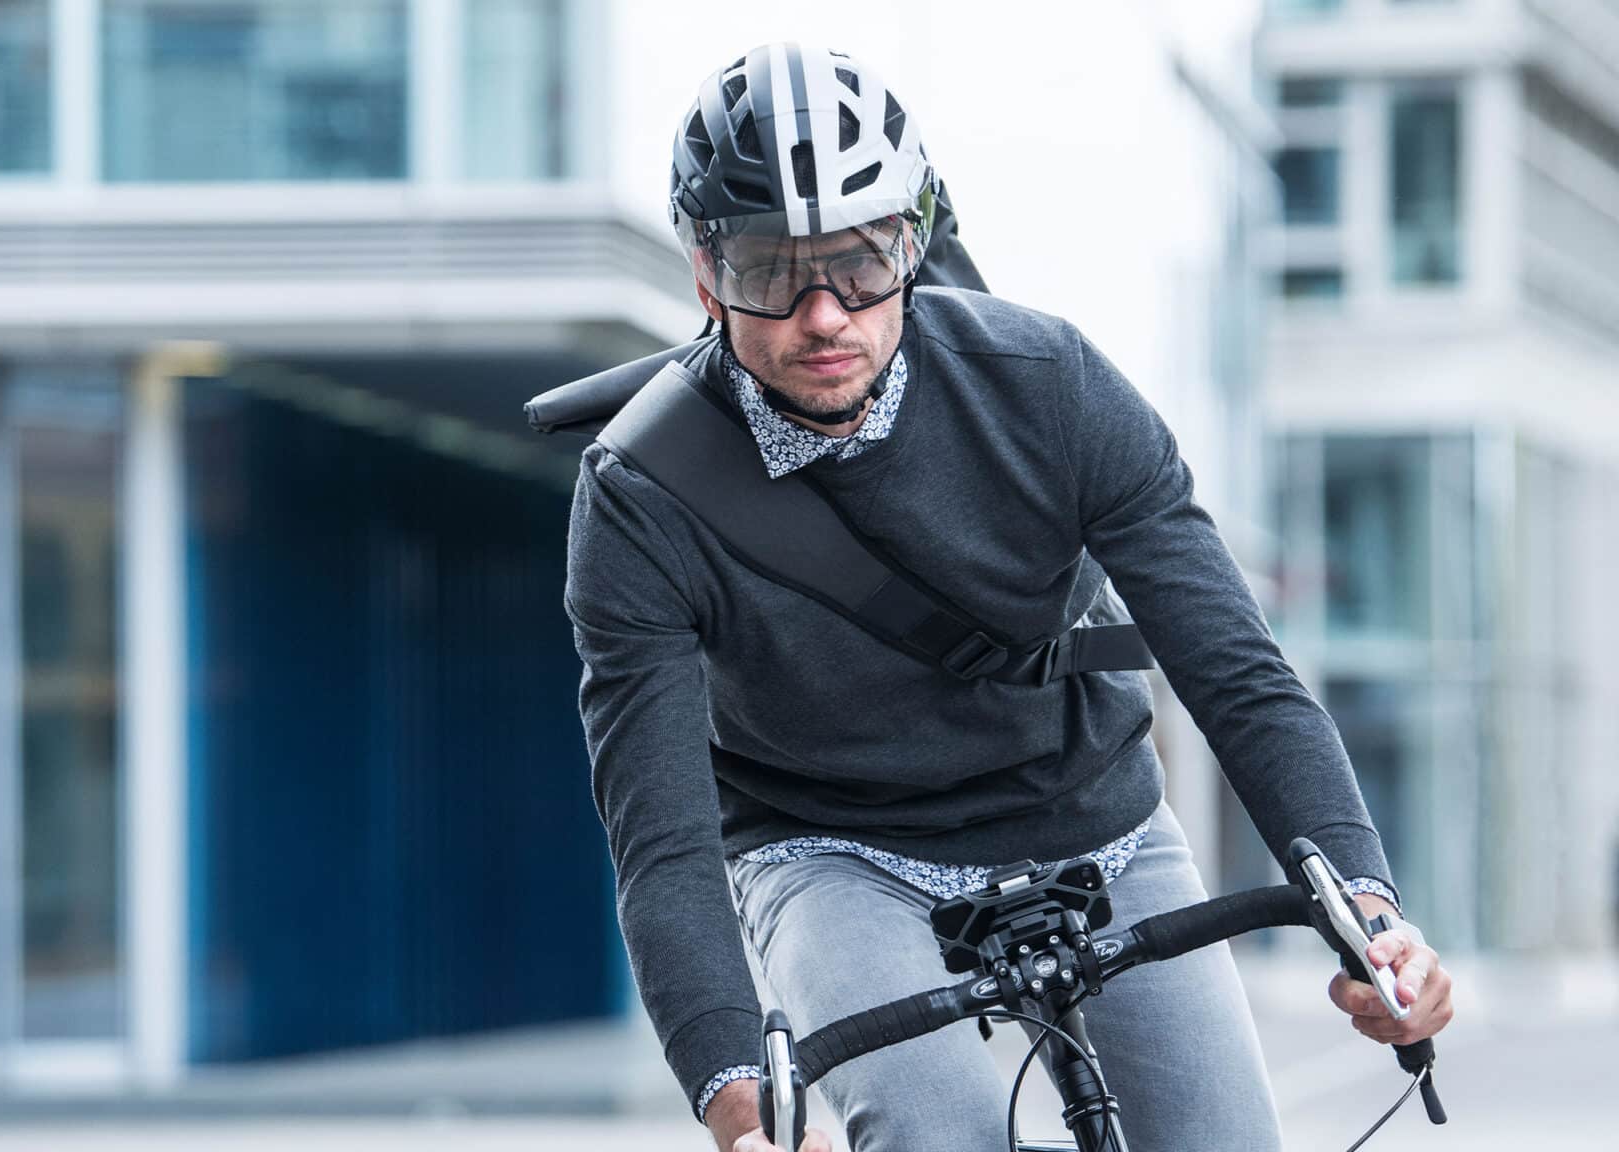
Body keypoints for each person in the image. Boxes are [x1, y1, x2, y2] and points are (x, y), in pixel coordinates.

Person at [560, 43, 1454, 1152]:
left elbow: (1236, 674)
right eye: (768, 271)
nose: (825, 313)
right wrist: (736, 1099)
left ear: (913, 238)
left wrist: (1368, 913)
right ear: (703, 275)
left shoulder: (1050, 385)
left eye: (858, 259)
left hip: (1096, 817)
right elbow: (663, 840)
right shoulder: (638, 492)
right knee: (942, 1134)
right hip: (833, 847)